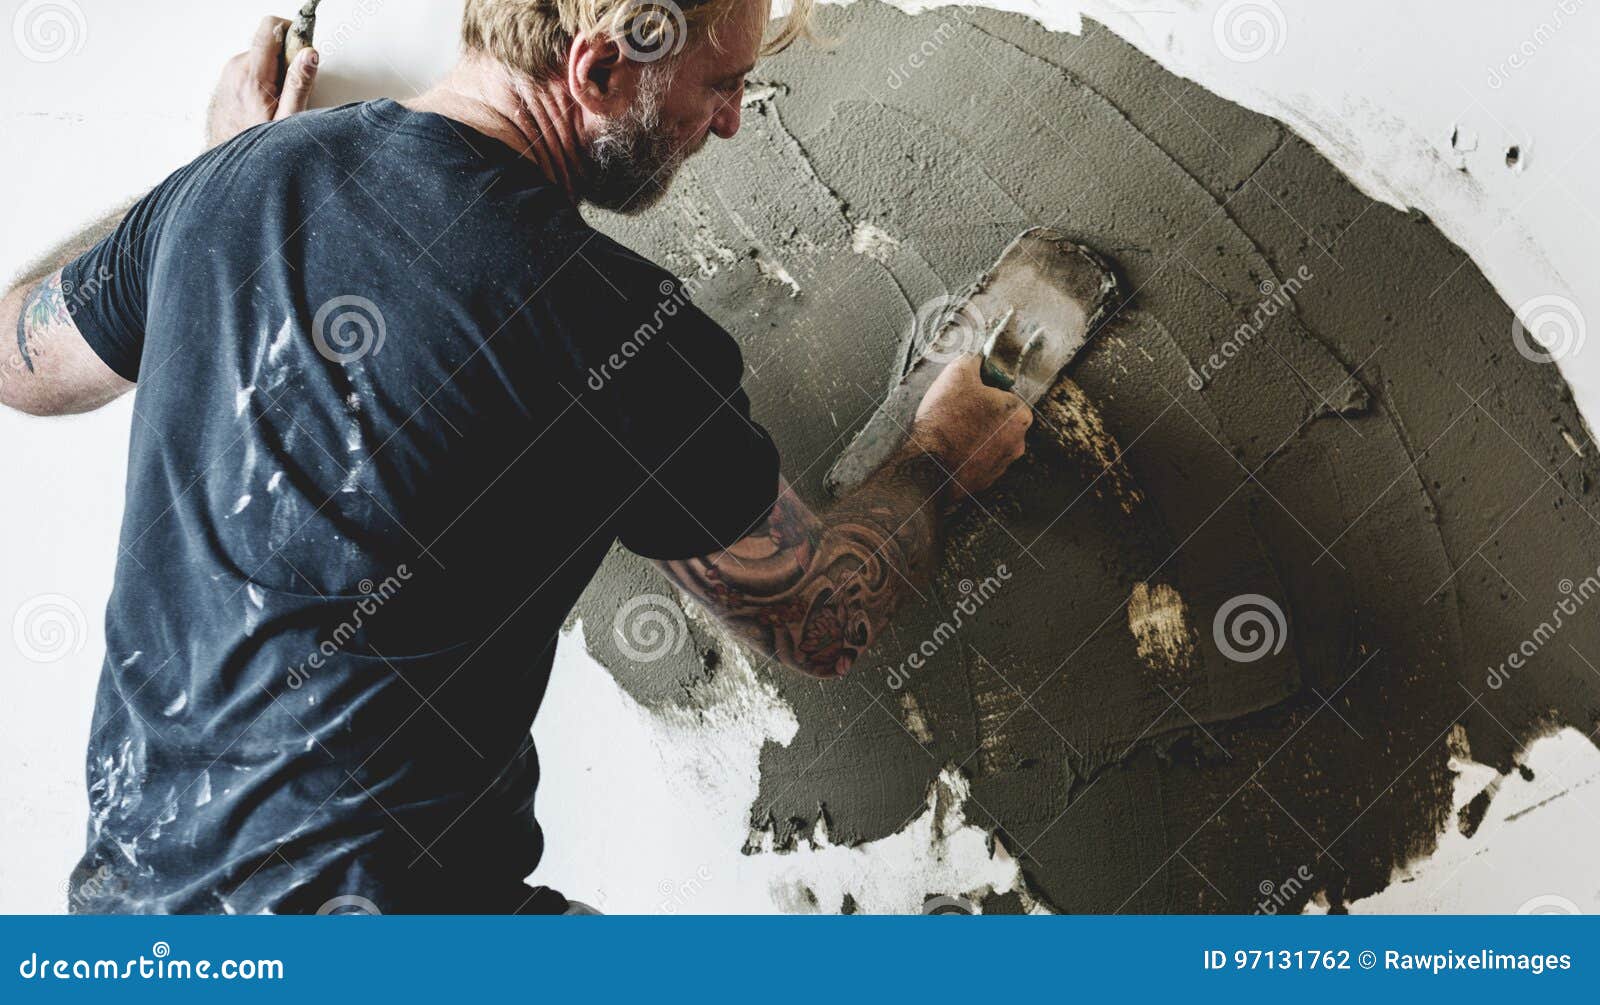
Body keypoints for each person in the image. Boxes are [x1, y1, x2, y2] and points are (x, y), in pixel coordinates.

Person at [0, 0, 1032, 914]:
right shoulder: (609, 324)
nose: (728, 120)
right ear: (598, 68)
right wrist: (945, 454)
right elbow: (817, 619)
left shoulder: (231, 185)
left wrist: (212, 176)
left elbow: (18, 361)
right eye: (719, 86)